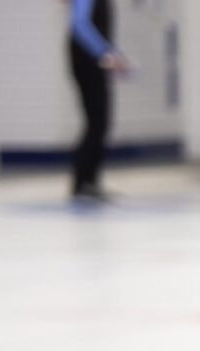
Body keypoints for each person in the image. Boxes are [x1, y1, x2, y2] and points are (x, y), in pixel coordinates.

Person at [66, 0, 130, 201]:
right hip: (86, 61)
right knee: (97, 120)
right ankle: (83, 182)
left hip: (93, 61)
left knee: (99, 121)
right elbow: (80, 25)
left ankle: (89, 181)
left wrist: (115, 55)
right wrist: (104, 52)